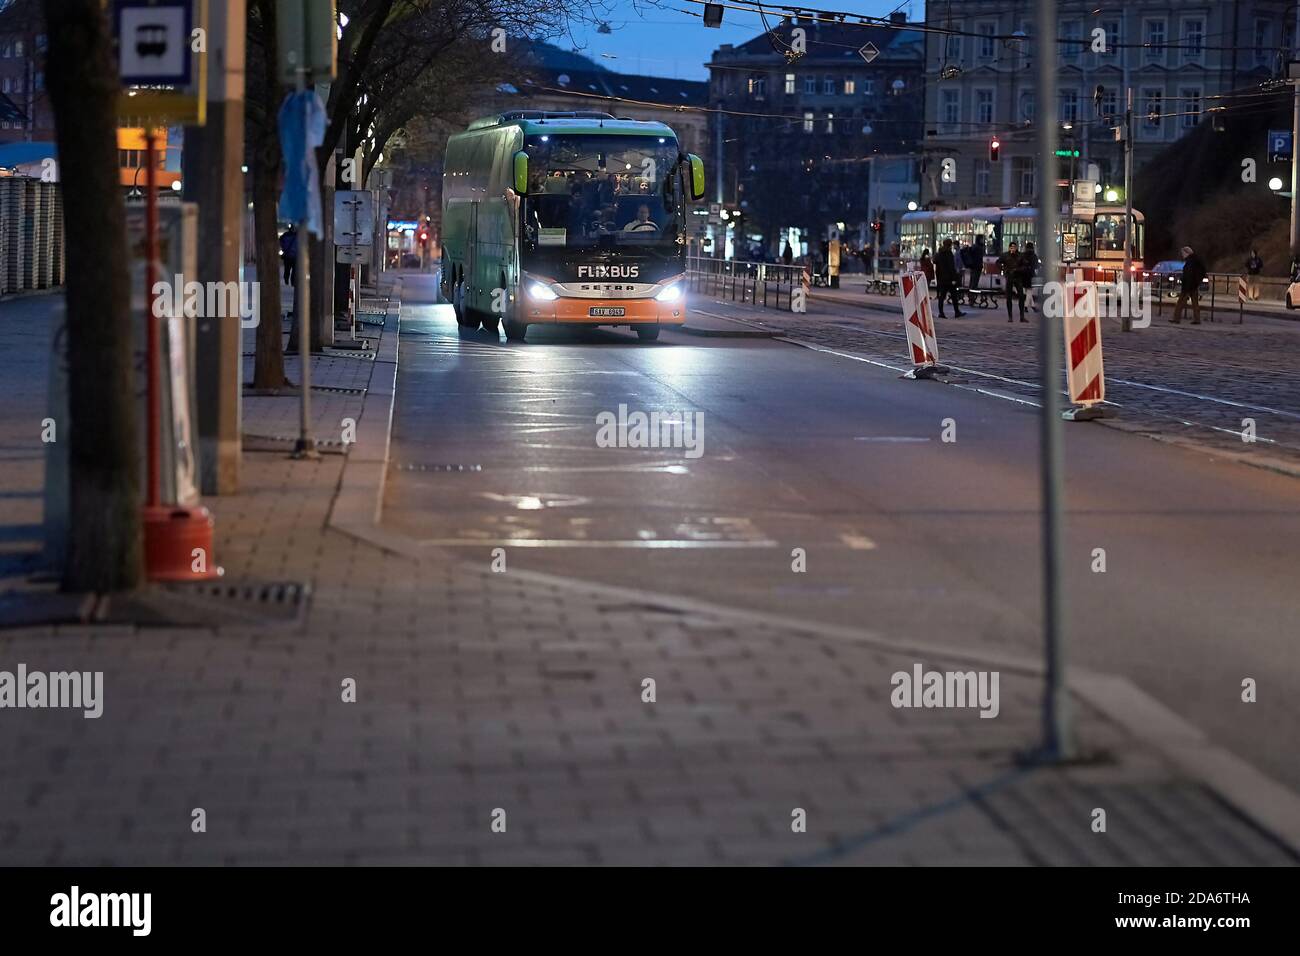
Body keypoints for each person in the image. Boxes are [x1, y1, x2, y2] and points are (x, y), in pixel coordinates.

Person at [1170, 245, 1206, 324]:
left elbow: (1188, 274)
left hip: (1188, 286)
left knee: (1180, 303)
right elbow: (1201, 272)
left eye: (1183, 253)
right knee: (1195, 303)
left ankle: (1176, 318)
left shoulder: (1190, 262)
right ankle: (1197, 319)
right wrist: (1197, 282)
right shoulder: (1196, 260)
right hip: (1193, 285)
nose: (1182, 255)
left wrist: (1184, 280)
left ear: (1186, 253)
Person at [997, 241, 1026, 322]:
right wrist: (1003, 269)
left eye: (1014, 247)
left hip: (1018, 277)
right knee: (1009, 297)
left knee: (1021, 296)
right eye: (1011, 247)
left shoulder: (1020, 255)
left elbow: (1025, 266)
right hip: (1009, 277)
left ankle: (1022, 316)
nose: (1013, 248)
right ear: (1009, 248)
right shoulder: (1005, 255)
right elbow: (998, 262)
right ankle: (1010, 316)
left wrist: (1017, 270)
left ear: (1016, 248)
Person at [934, 239, 964, 317]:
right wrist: (954, 278)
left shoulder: (939, 254)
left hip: (942, 278)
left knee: (942, 296)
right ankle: (957, 312)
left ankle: (941, 312)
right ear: (950, 245)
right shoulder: (949, 253)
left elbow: (936, 263)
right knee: (954, 296)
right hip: (950, 279)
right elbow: (951, 267)